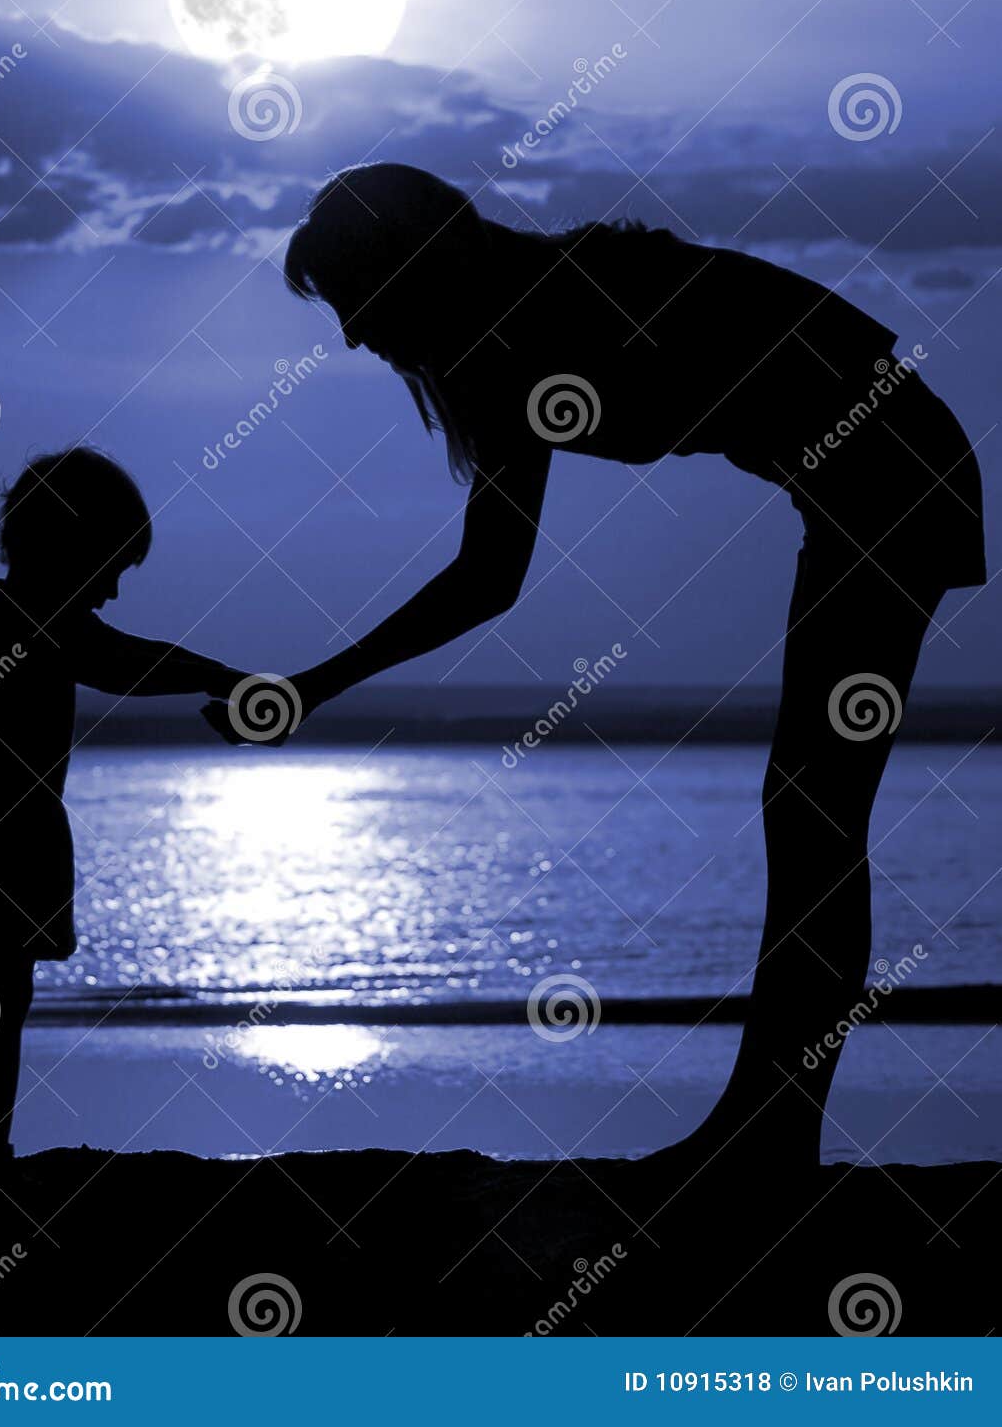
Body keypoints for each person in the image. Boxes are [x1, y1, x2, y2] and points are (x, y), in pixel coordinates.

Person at [208, 162, 985, 1174]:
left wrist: (315, 685)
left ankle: (769, 1136)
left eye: (356, 296)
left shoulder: (544, 313)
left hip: (893, 470)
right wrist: (315, 685)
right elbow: (491, 575)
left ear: (411, 266)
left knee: (813, 814)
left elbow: (489, 577)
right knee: (810, 813)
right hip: (856, 481)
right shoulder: (515, 333)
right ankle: (769, 1130)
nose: (353, 334)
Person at [0, 447, 243, 1175]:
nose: (110, 591)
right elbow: (124, 663)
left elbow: (117, 656)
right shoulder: (22, 619)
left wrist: (217, 675)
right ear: (68, 547)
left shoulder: (21, 615)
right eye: (110, 567)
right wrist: (221, 676)